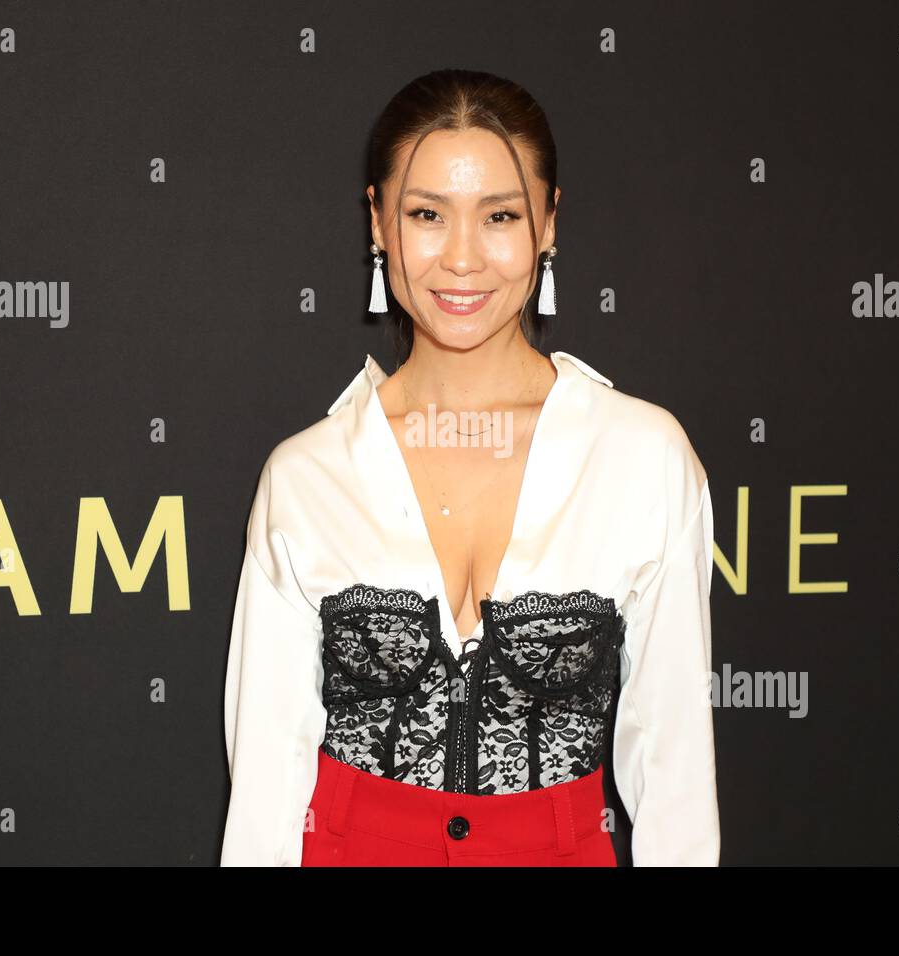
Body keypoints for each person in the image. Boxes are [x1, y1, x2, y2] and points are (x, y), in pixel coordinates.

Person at [222, 68, 718, 866]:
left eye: (499, 215)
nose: (461, 259)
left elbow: (675, 783)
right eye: (425, 214)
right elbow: (266, 800)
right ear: (378, 222)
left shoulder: (643, 457)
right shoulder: (306, 477)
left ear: (548, 224)